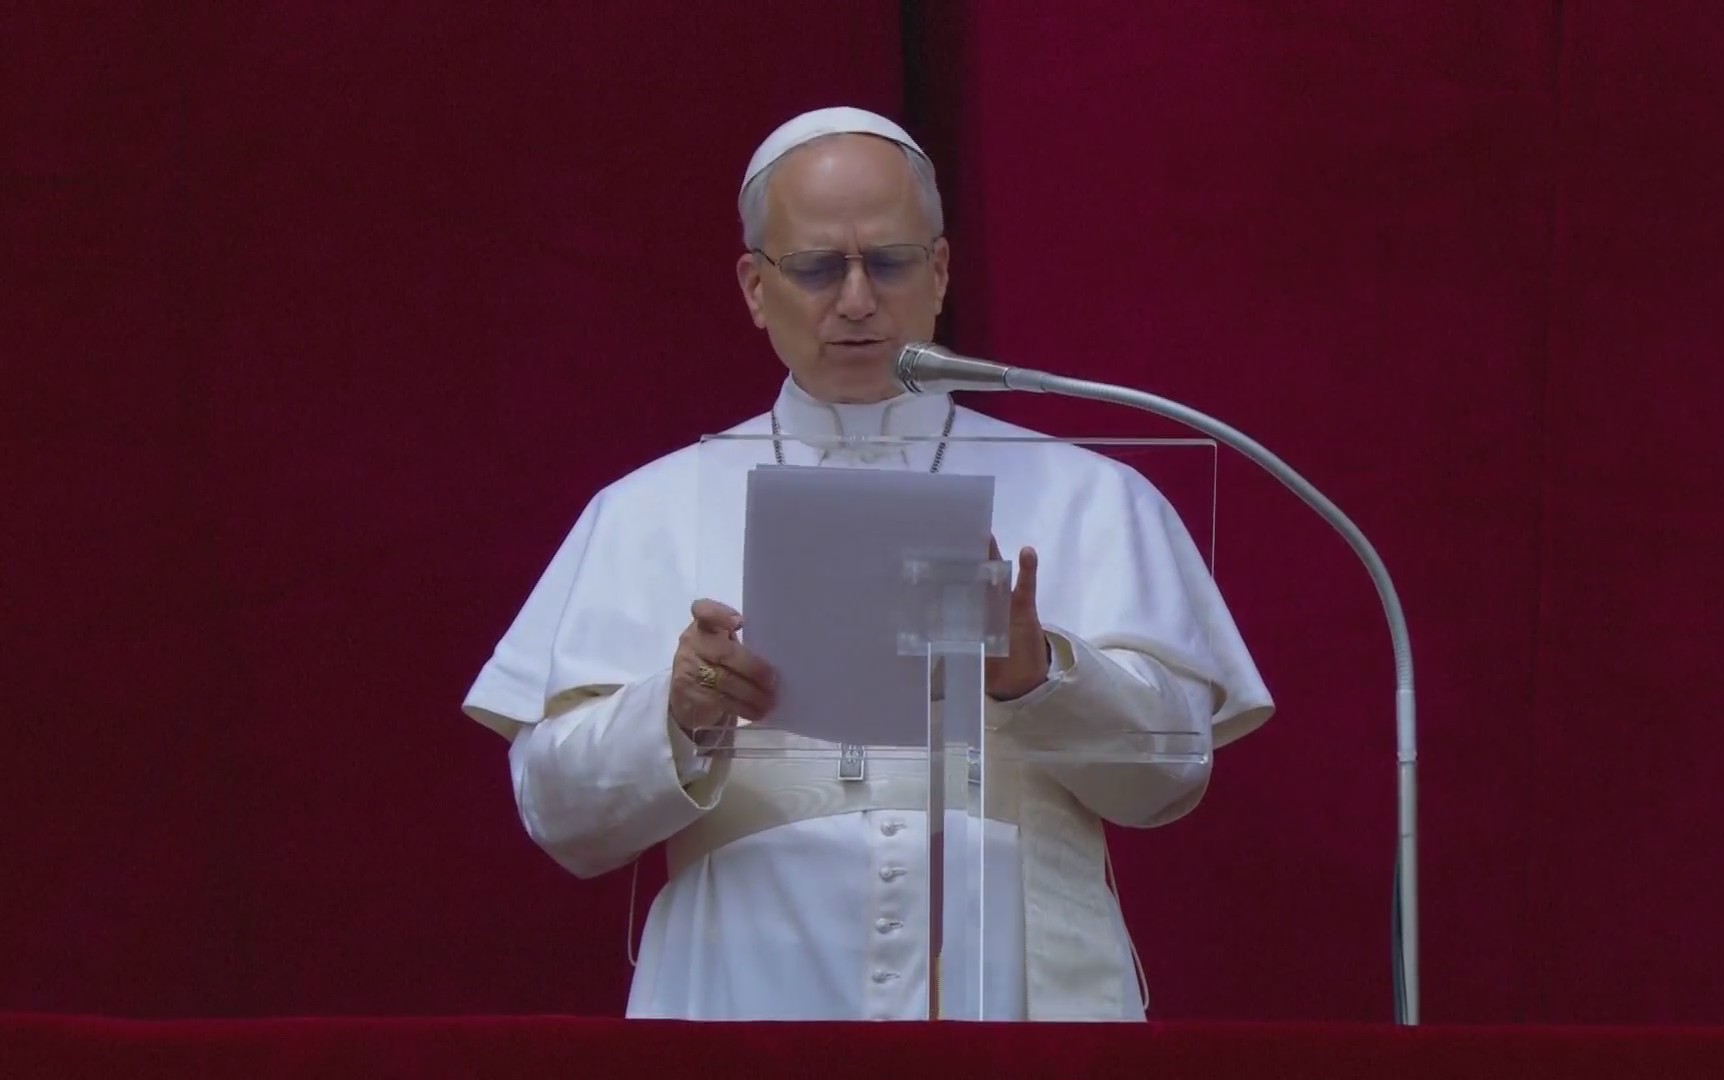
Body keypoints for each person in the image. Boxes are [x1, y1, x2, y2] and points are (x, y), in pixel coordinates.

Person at [462, 107, 1272, 1021]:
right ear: (754, 286)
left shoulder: (1091, 493)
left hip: (1012, 991)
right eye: (815, 268)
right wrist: (677, 709)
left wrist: (1038, 672)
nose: (856, 300)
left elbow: (1171, 779)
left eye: (887, 262)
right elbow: (560, 815)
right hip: (741, 990)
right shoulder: (646, 509)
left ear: (940, 273)